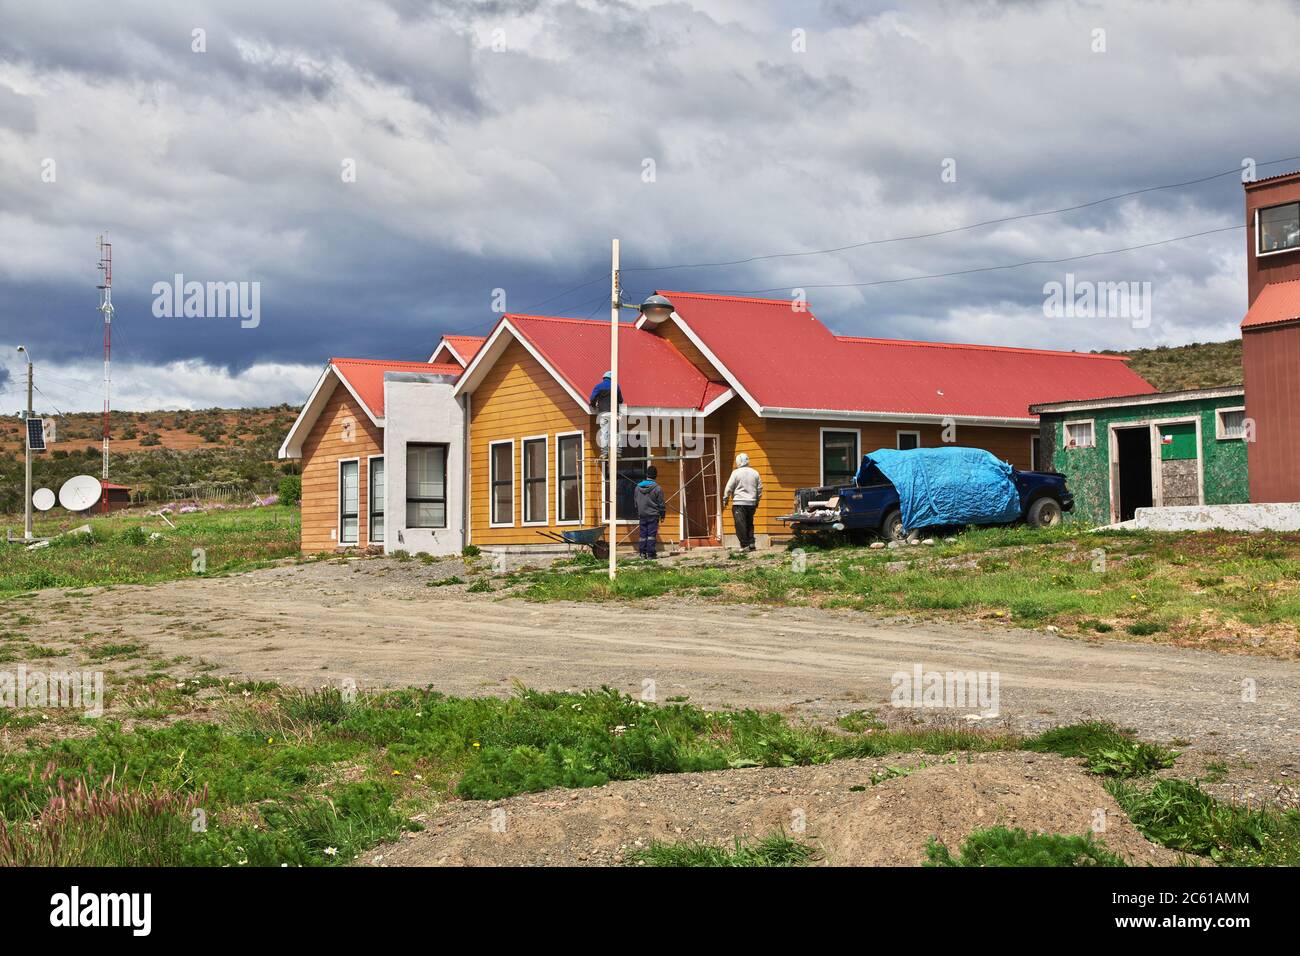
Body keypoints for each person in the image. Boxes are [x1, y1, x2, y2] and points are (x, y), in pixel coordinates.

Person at [723, 452, 762, 551]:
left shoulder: (735, 473)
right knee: (749, 523)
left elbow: (729, 487)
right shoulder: (755, 473)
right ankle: (751, 543)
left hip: (739, 503)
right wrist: (757, 501)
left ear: (738, 462)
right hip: (752, 503)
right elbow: (759, 489)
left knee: (740, 525)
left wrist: (725, 498)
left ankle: (744, 545)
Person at [589, 371, 625, 456]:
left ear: (604, 378)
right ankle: (618, 451)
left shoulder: (599, 386)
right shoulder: (616, 386)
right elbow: (621, 400)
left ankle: (604, 453)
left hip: (603, 413)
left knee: (604, 432)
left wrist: (594, 405)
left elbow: (592, 398)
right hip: (614, 414)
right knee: (616, 432)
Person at [633, 465, 666, 559]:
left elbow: (635, 502)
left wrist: (638, 511)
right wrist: (662, 514)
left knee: (643, 535)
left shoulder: (637, 487)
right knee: (651, 535)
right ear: (655, 476)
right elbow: (661, 503)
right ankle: (651, 554)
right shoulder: (657, 488)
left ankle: (642, 554)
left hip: (642, 514)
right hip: (653, 515)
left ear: (646, 474)